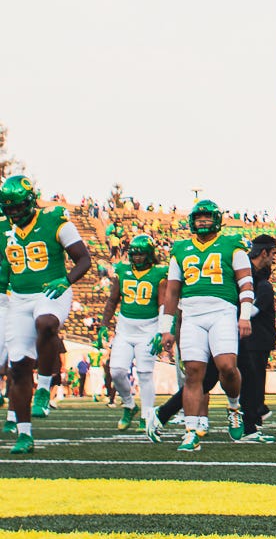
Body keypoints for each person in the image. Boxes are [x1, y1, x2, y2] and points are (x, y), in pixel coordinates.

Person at [3, 173, 94, 453]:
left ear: (30, 202)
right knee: (17, 367)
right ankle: (24, 433)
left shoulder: (54, 218)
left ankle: (44, 388)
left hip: (52, 290)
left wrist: (66, 280)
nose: (15, 213)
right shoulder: (3, 229)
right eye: (10, 208)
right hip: (18, 298)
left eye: (19, 206)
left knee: (46, 323)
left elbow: (84, 258)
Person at [159, 199, 254, 455]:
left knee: (227, 367)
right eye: (198, 217)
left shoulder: (233, 245)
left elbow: (246, 283)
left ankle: (234, 407)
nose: (202, 221)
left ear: (216, 220)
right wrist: (166, 328)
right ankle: (191, 432)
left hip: (222, 310)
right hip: (191, 314)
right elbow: (172, 292)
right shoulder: (180, 249)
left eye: (206, 217)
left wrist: (244, 315)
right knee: (192, 372)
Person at [104, 233, 167, 441]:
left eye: (141, 254)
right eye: (134, 254)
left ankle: (147, 416)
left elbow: (162, 303)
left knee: (145, 373)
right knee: (116, 371)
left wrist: (162, 330)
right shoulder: (122, 271)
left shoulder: (159, 273)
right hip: (125, 328)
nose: (137, 258)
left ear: (150, 255)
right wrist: (104, 325)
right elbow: (113, 300)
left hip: (148, 328)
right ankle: (129, 405)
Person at [238, 234, 276, 441]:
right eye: (272, 254)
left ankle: (253, 418)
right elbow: (250, 311)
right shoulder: (259, 283)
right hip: (251, 338)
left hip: (256, 338)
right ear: (264, 253)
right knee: (251, 379)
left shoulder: (261, 285)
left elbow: (252, 311)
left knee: (252, 379)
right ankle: (255, 414)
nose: (274, 259)